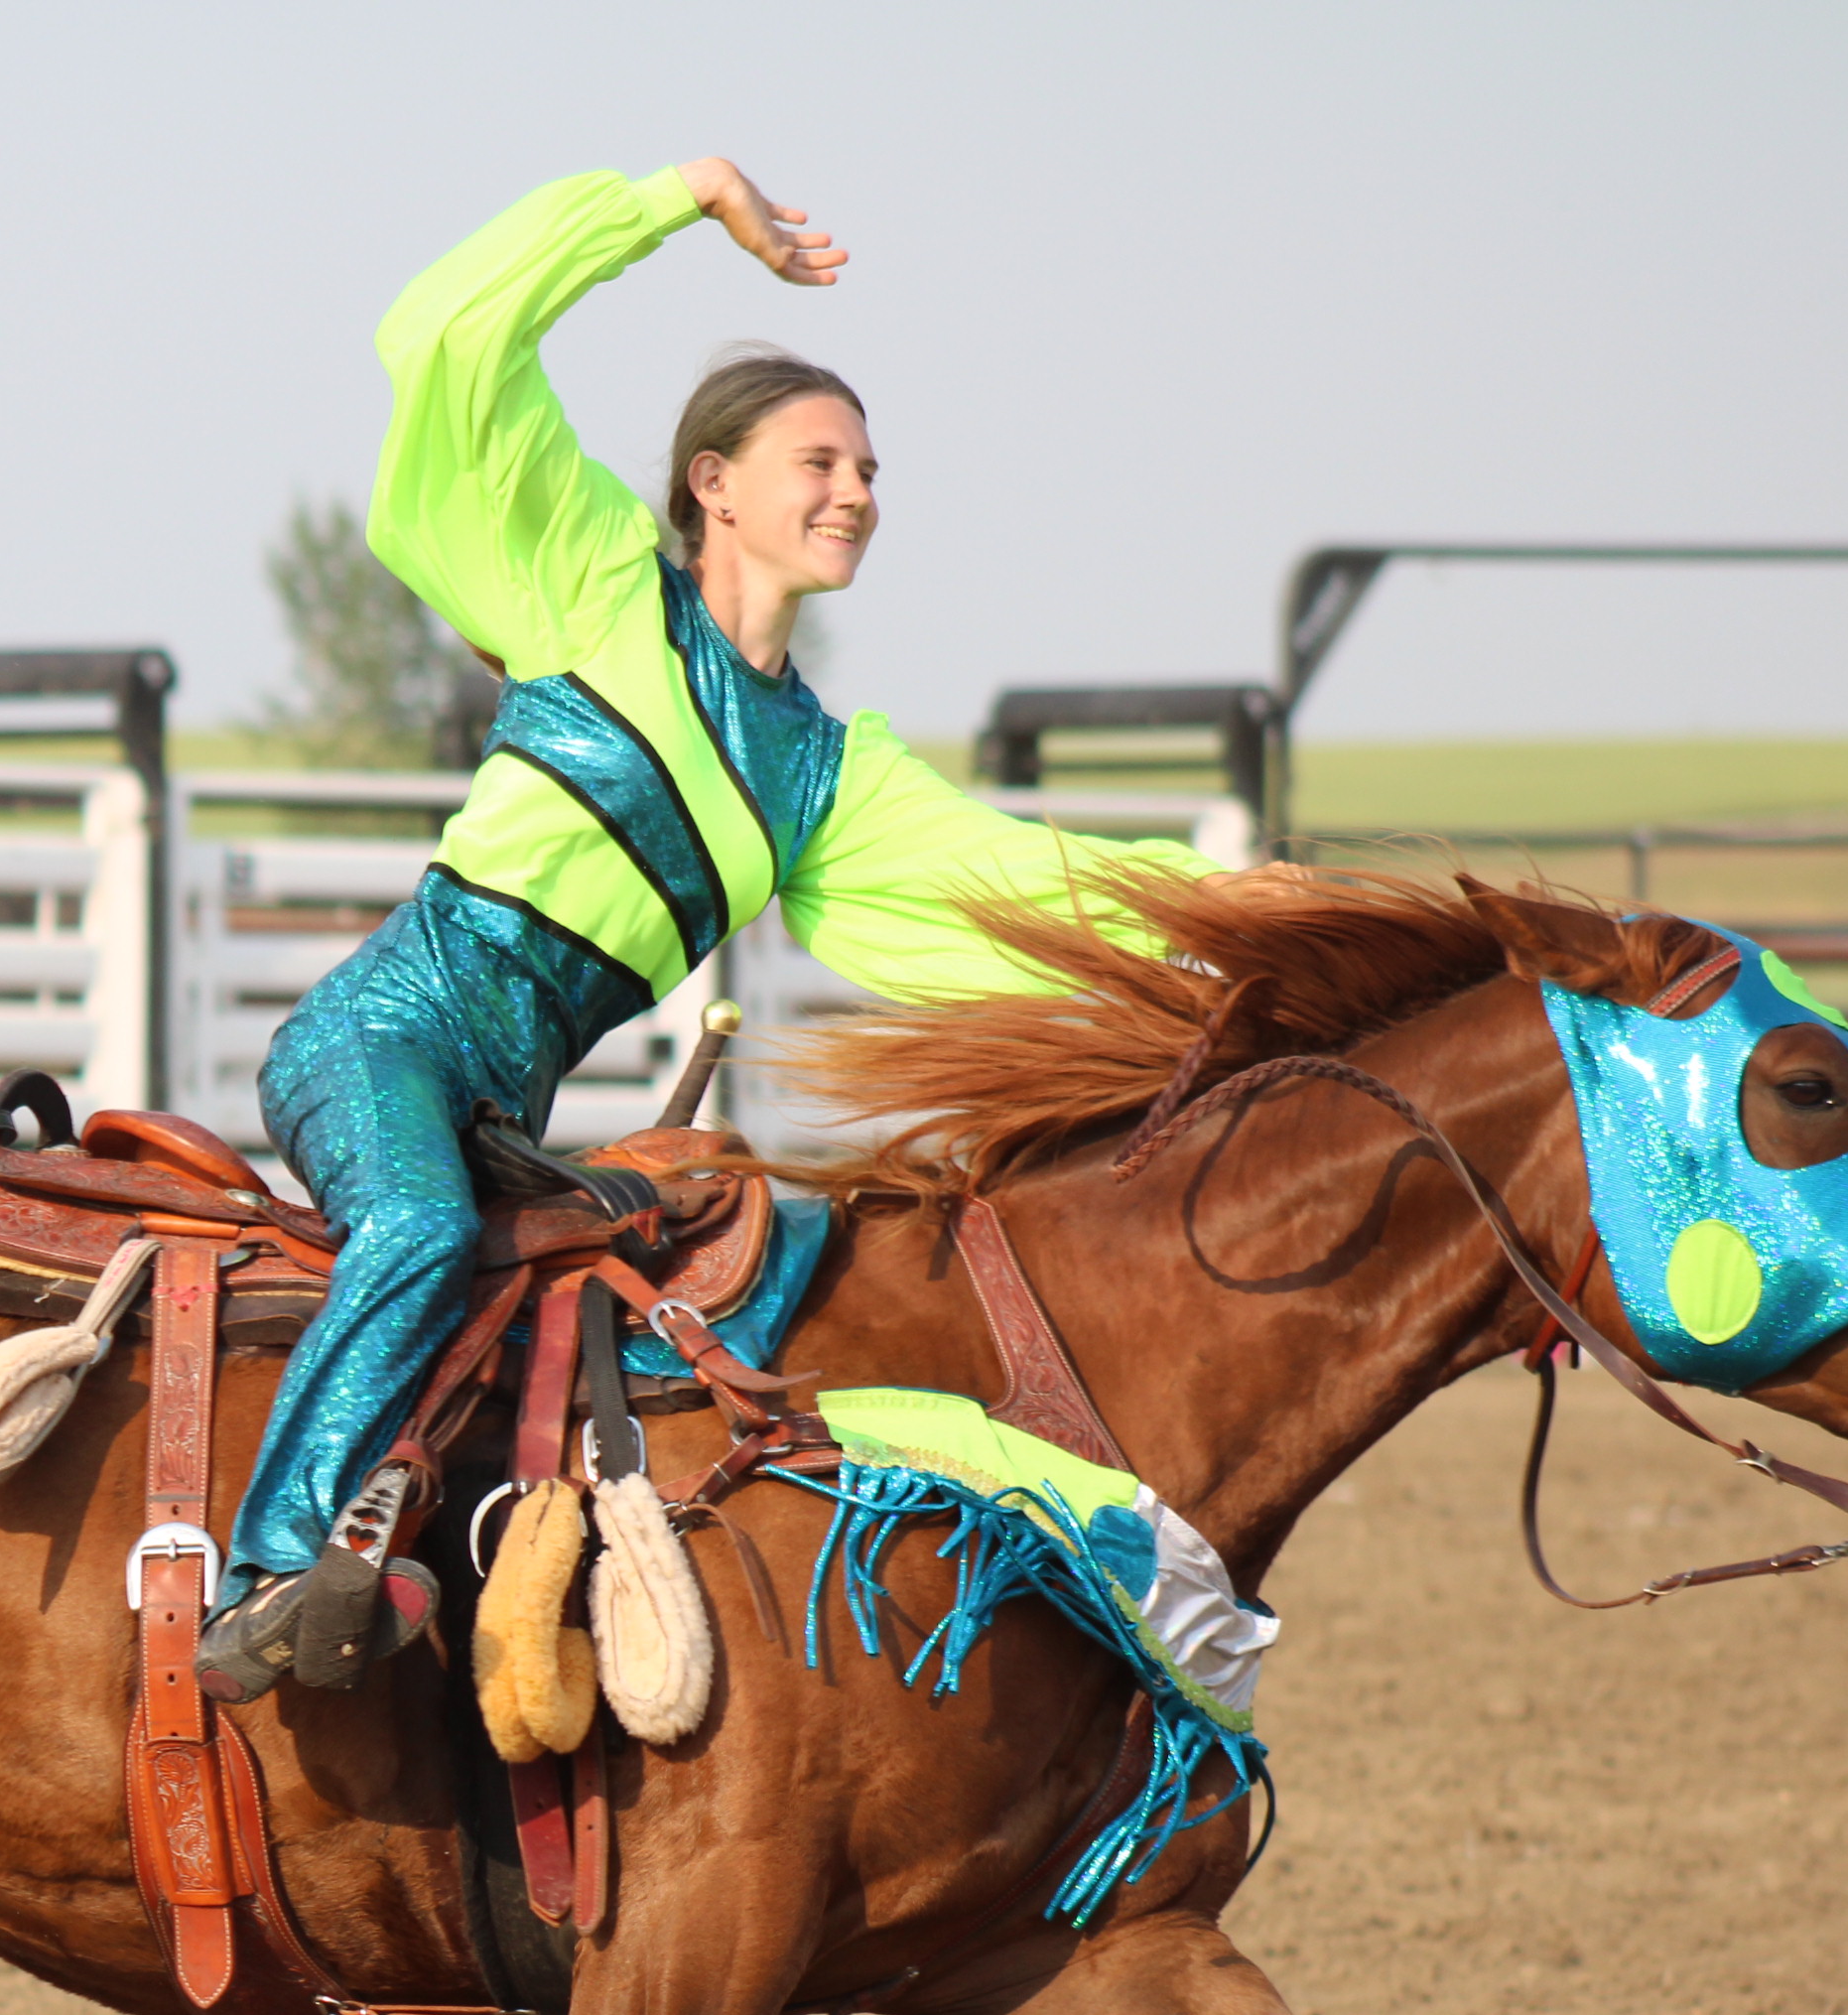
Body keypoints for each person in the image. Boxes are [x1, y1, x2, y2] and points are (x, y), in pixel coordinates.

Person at [196, 157, 1226, 1701]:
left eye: (871, 469)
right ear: (713, 486)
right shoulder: (597, 586)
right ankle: (265, 1576)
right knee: (409, 1233)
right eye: (819, 459)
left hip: (517, 1129)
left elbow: (1025, 890)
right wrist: (671, 198)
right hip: (381, 1042)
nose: (856, 492)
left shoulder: (821, 774)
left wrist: (1249, 938)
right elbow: (448, 340)